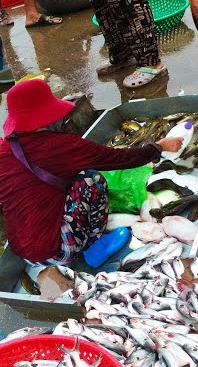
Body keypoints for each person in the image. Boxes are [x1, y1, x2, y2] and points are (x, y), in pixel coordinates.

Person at [0, 79, 184, 268]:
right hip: (58, 252)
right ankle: (93, 243)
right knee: (90, 179)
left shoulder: (3, 149)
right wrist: (160, 146)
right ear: (46, 115)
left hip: (24, 253)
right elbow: (122, 160)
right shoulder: (61, 146)